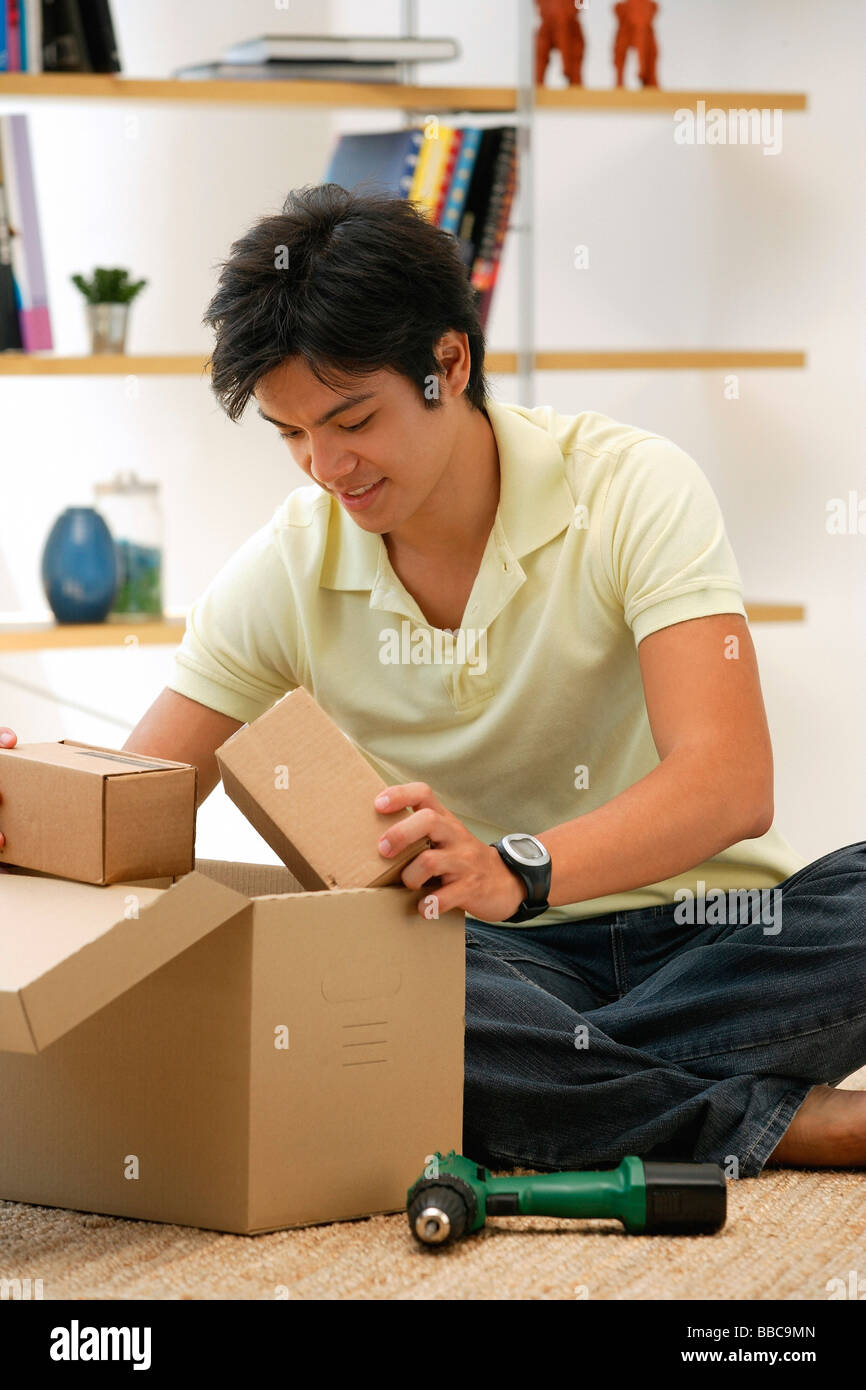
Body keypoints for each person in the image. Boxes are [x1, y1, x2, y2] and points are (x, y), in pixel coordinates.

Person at [4, 185, 864, 1176]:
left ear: (447, 362)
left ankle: (570, 1093)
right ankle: (794, 1123)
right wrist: (35, 804)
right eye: (291, 435)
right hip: (495, 971)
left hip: (714, 936)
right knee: (344, 988)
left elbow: (728, 782)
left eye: (350, 418)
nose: (326, 466)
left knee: (395, 1056)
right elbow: (137, 803)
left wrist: (516, 868)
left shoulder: (631, 486)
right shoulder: (287, 567)